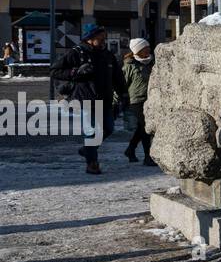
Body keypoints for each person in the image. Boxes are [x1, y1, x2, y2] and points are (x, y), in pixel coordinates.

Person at [51, 24, 126, 175]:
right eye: (100, 39)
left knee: (109, 128)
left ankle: (87, 150)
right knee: (93, 132)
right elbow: (55, 70)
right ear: (90, 39)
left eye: (104, 38)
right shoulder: (77, 53)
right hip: (86, 99)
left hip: (105, 99)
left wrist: (123, 94)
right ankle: (92, 163)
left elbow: (118, 77)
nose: (104, 41)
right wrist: (75, 72)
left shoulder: (108, 55)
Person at [122, 38, 156, 166]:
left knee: (142, 127)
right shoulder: (129, 65)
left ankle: (130, 149)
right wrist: (117, 100)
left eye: (148, 47)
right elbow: (123, 84)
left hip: (151, 99)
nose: (148, 49)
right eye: (145, 48)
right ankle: (148, 156)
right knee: (145, 127)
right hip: (136, 100)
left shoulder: (152, 62)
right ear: (138, 50)